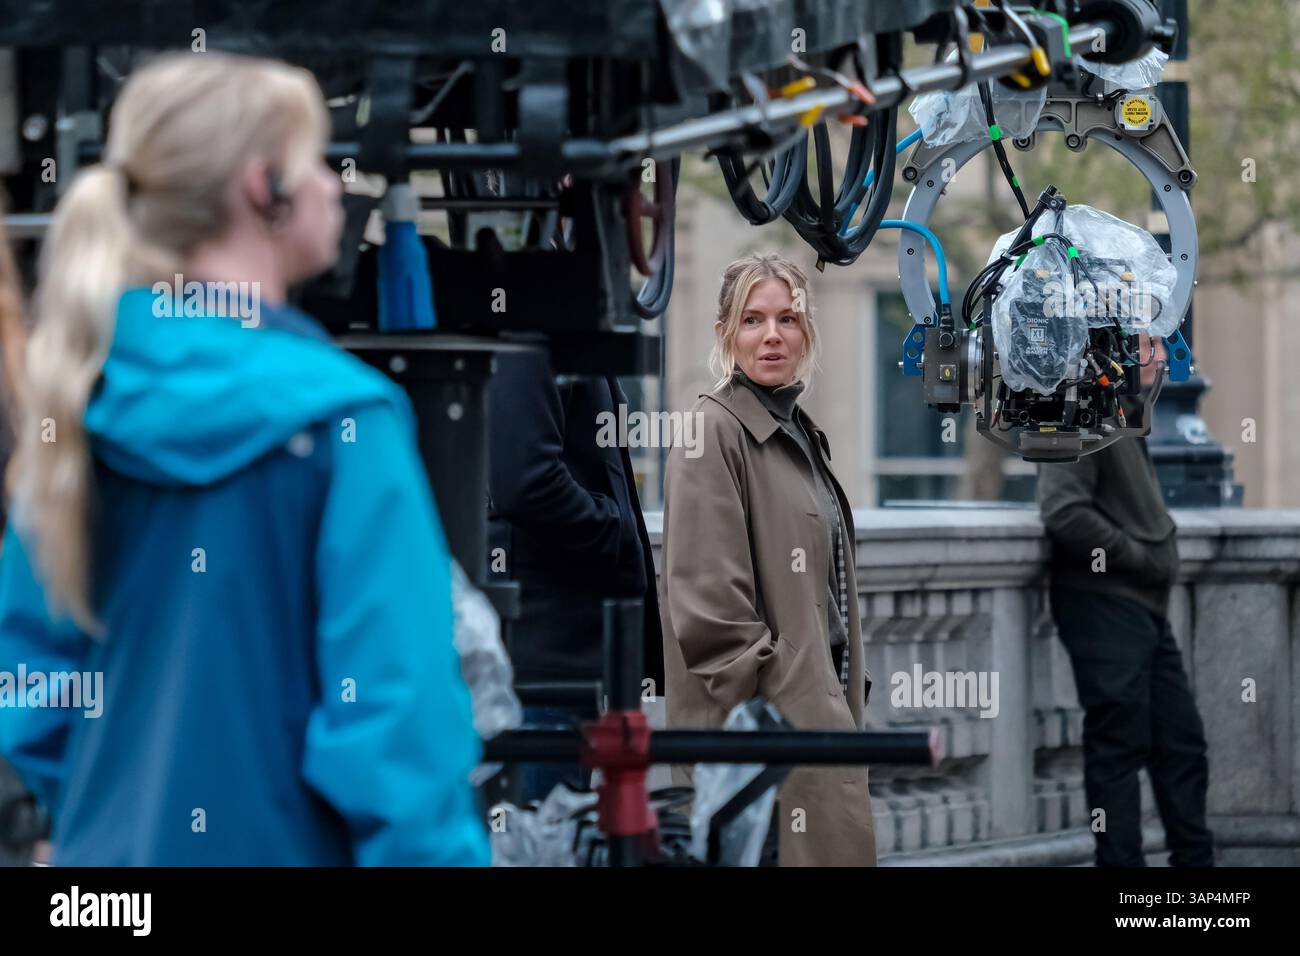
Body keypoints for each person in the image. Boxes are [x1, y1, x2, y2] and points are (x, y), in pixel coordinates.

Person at [0, 51, 488, 865]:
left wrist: (123, 814)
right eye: (319, 162)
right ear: (264, 188)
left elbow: (32, 693)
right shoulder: (343, 419)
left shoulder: (78, 397)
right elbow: (396, 731)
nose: (338, 185)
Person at [658, 253, 875, 867]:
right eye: (753, 320)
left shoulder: (796, 431)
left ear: (808, 332)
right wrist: (780, 703)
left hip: (815, 723)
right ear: (726, 332)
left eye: (788, 318)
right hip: (762, 746)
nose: (772, 335)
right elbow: (711, 611)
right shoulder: (713, 432)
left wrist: (834, 694)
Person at [1037, 335, 1214, 867]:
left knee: (1181, 746)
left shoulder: (1123, 412)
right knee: (1119, 751)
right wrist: (1139, 556)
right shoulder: (1078, 410)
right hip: (1103, 604)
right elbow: (1063, 512)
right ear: (1115, 350)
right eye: (1151, 346)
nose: (1164, 358)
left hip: (1141, 610)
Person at [487, 345, 664, 802]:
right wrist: (616, 529)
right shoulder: (531, 328)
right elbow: (525, 482)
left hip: (565, 661)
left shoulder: (566, 323)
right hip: (540, 668)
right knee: (537, 847)